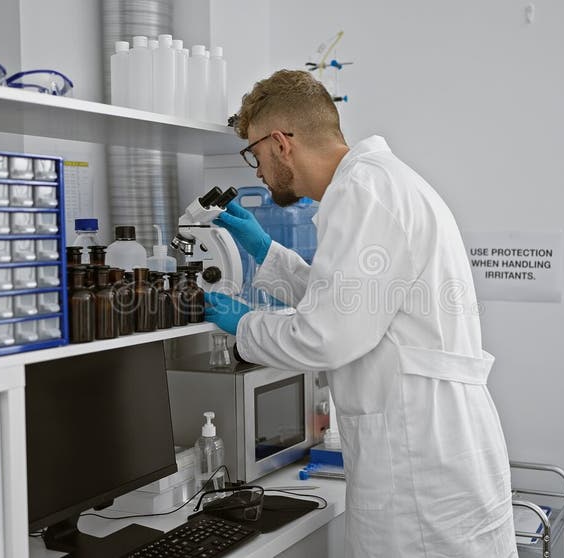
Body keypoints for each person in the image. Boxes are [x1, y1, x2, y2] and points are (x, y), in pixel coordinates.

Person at [204, 69, 517, 558]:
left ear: (282, 143)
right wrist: (267, 254)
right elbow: (355, 302)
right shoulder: (377, 185)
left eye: (255, 155)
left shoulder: (365, 191)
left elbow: (329, 335)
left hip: (418, 463)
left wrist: (244, 326)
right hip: (431, 447)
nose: (258, 173)